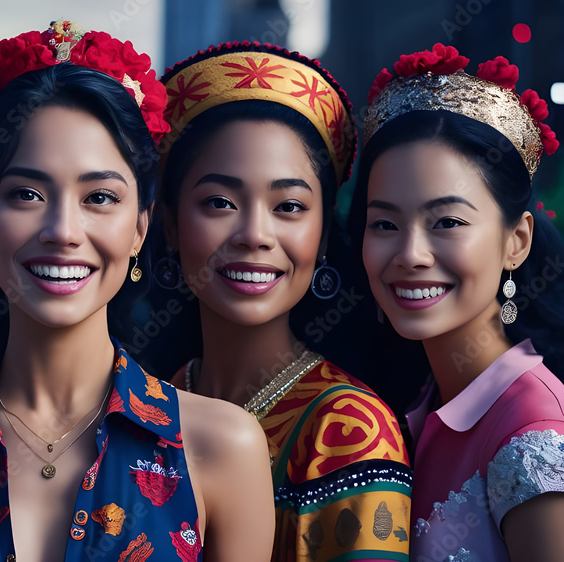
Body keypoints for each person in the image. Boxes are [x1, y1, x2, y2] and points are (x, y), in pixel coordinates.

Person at [0, 21, 275, 561]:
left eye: (99, 197)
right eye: (27, 194)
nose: (63, 231)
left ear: (140, 228)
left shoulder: (222, 447)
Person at [162, 42, 413, 561]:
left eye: (289, 206)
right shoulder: (154, 397)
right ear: (168, 225)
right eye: (219, 202)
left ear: (322, 237)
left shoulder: (349, 429)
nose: (255, 235)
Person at [355, 43, 564, 561]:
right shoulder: (421, 400)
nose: (410, 254)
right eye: (384, 224)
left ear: (516, 241)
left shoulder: (536, 432)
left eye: (447, 222)